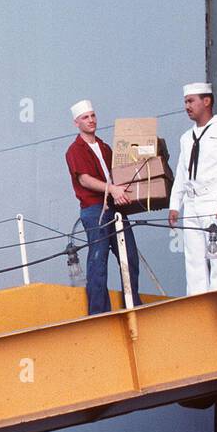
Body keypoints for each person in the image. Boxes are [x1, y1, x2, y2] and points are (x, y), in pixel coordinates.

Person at [65, 100, 141, 315]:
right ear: (76, 123)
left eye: (92, 116)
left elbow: (118, 174)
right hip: (94, 209)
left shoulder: (105, 147)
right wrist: (112, 189)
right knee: (99, 260)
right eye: (85, 117)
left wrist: (122, 188)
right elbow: (85, 180)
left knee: (130, 256)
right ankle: (98, 312)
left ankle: (132, 303)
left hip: (115, 208)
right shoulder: (74, 150)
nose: (91, 120)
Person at [168, 82, 217, 294]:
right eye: (185, 102)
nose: (187, 106)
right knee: (193, 259)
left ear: (206, 101)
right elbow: (182, 173)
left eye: (191, 101)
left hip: (214, 201)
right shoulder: (186, 138)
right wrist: (175, 205)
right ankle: (196, 302)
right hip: (192, 203)